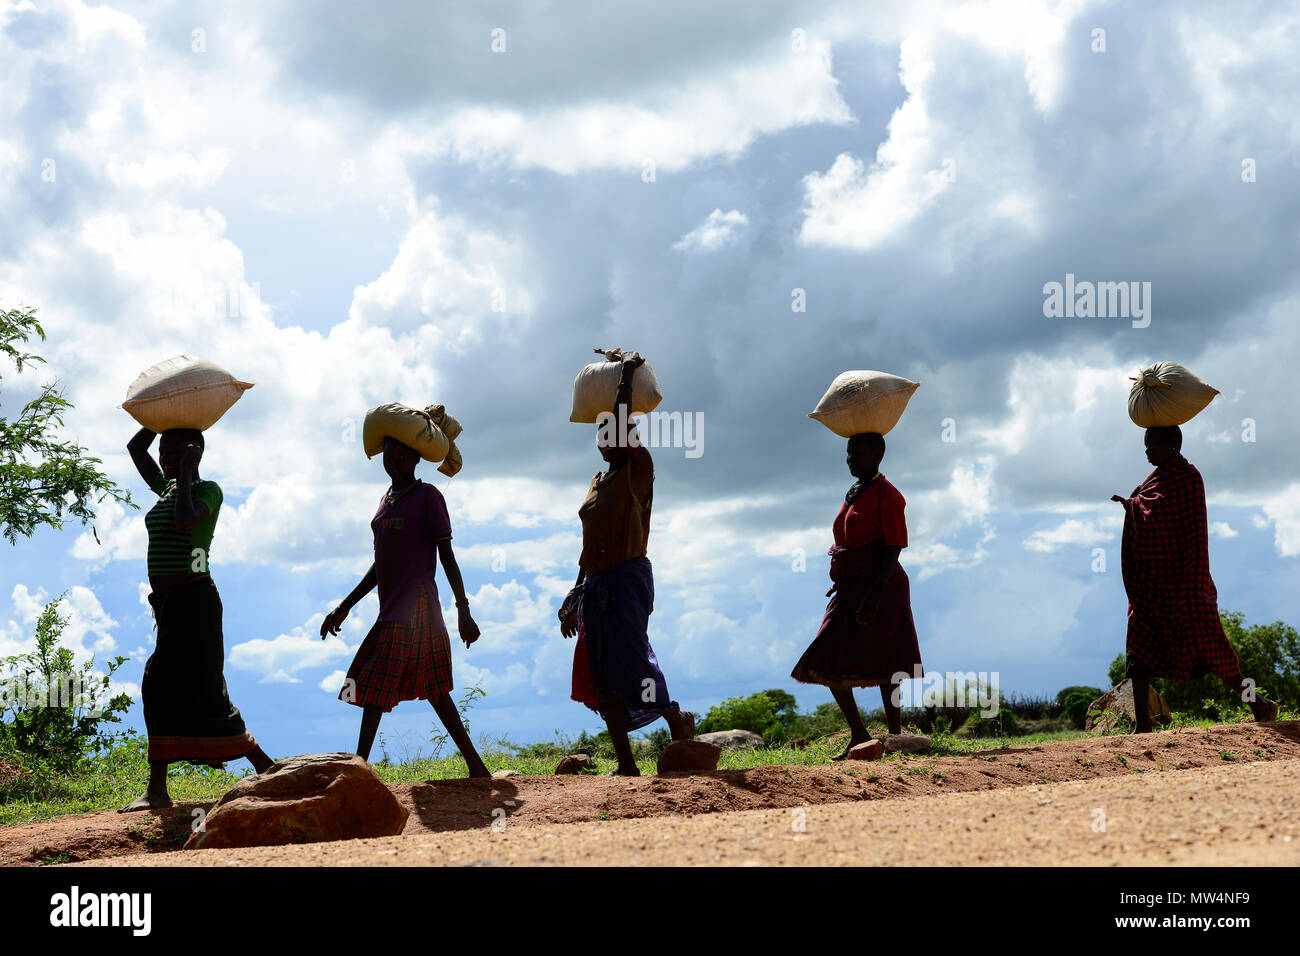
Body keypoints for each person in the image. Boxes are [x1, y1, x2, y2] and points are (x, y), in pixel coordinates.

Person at [121, 427, 273, 812]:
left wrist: (188, 472)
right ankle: (264, 768)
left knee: (190, 688)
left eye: (175, 451)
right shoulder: (168, 489)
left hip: (197, 602)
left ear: (196, 453)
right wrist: (161, 412)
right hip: (172, 606)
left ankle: (262, 769)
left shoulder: (207, 491)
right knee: (175, 687)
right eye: (165, 450)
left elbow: (187, 521)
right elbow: (135, 447)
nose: (165, 456)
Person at [321, 434, 489, 776]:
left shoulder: (428, 497)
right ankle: (475, 766)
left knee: (373, 685)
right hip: (391, 608)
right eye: (388, 455)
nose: (393, 460)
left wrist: (463, 608)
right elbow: (379, 567)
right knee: (428, 689)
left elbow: (447, 556)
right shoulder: (385, 502)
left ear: (416, 459)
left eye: (401, 455)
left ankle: (359, 768)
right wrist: (345, 605)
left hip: (417, 609)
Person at [558, 352, 692, 775]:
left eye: (611, 432)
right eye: (599, 434)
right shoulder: (598, 483)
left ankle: (675, 719)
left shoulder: (639, 468)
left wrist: (627, 377)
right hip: (596, 586)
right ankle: (627, 764)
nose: (603, 440)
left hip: (628, 581)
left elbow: (620, 418)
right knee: (601, 672)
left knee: (632, 659)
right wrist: (574, 593)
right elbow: (588, 545)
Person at [1111, 425, 1278, 732]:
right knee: (1138, 648)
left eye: (1153, 443)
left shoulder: (1189, 478)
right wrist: (1131, 505)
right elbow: (1149, 509)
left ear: (1174, 443)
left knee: (1218, 657)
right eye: (1145, 444)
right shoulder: (1153, 481)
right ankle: (1143, 726)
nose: (1147, 450)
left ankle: (1260, 704)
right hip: (1153, 587)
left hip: (1187, 583)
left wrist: (1192, 584)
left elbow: (1189, 530)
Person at [791, 431, 922, 760]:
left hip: (883, 585)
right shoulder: (855, 491)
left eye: (859, 454)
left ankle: (894, 737)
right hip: (850, 585)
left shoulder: (887, 494)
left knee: (889, 660)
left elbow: (893, 546)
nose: (851, 460)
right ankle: (859, 734)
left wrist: (874, 596)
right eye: (849, 454)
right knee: (826, 653)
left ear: (878, 455)